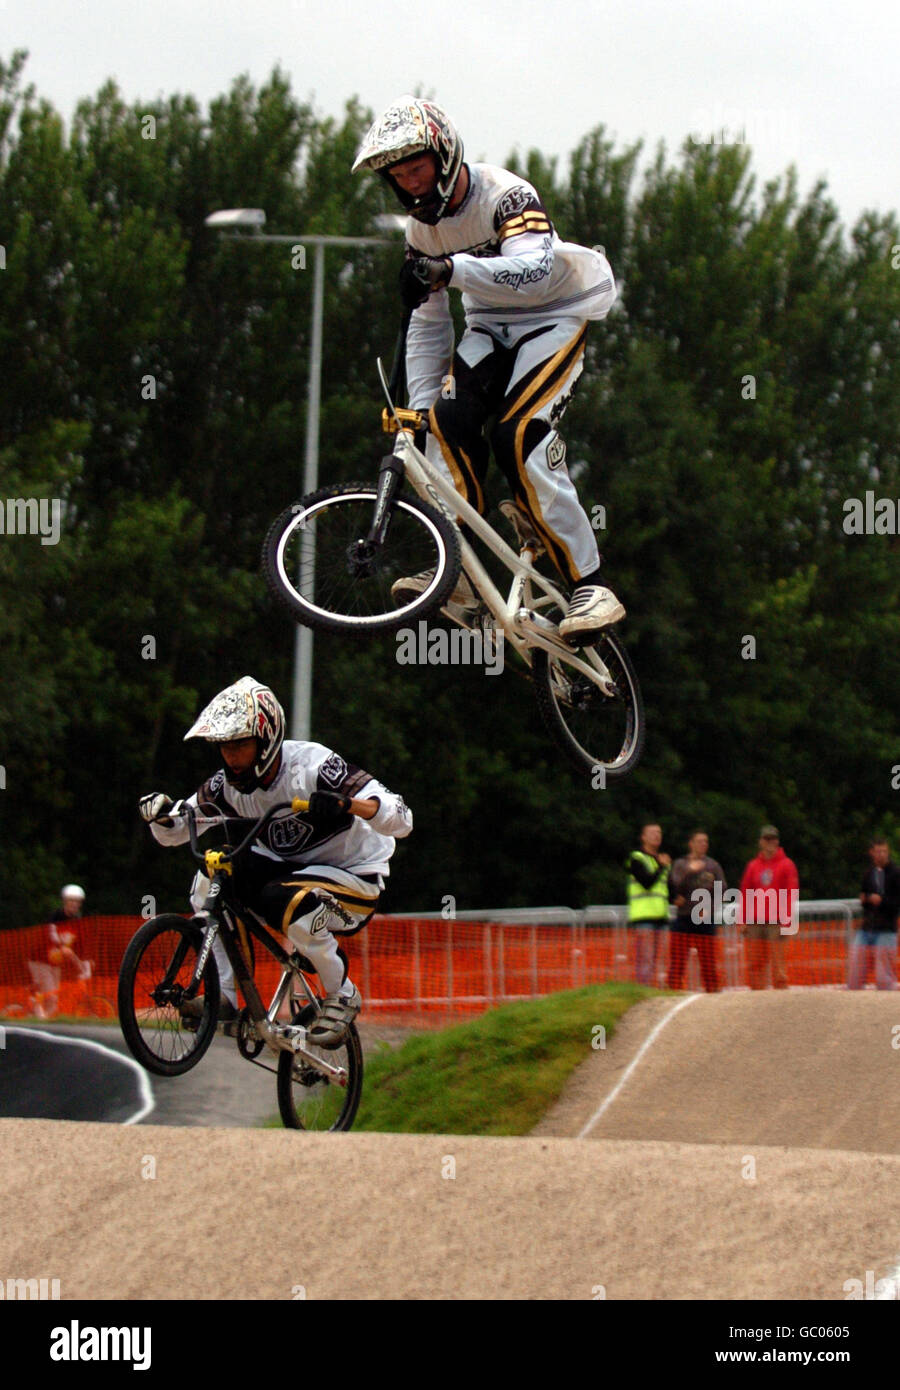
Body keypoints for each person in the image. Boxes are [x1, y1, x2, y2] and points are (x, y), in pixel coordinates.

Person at [352, 96, 623, 643]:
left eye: (418, 170)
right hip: (490, 329)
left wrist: (450, 269)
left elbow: (535, 270)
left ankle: (590, 584)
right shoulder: (420, 233)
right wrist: (423, 407)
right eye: (400, 178)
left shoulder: (505, 193)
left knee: (519, 433)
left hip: (553, 317)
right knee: (444, 426)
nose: (412, 186)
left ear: (445, 156)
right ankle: (456, 573)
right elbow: (429, 327)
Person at [138, 677, 412, 1045]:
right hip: (288, 874)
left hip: (355, 878)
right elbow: (176, 829)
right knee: (210, 879)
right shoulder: (226, 785)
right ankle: (226, 996)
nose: (231, 757)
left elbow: (402, 818)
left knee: (290, 902)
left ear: (266, 739)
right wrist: (160, 816)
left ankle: (342, 993)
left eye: (240, 745)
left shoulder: (313, 766)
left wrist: (348, 804)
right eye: (223, 747)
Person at [738, 825, 799, 990]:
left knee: (778, 964)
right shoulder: (753, 866)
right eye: (766, 839)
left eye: (773, 839)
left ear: (777, 842)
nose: (770, 842)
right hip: (755, 921)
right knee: (754, 964)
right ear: (760, 842)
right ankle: (757, 1000)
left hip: (776, 921)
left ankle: (779, 1003)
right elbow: (745, 893)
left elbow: (791, 894)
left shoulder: (787, 865)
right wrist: (742, 920)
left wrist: (786, 921)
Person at [667, 830, 726, 992]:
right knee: (678, 960)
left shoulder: (713, 865)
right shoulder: (680, 864)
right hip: (684, 916)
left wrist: (709, 909)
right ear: (691, 844)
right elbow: (675, 886)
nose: (703, 844)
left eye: (706, 841)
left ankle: (712, 992)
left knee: (708, 961)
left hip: (704, 918)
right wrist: (691, 871)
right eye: (699, 841)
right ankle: (672, 991)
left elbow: (721, 890)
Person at [848, 838, 900, 990]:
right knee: (856, 968)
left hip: (886, 928)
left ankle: (885, 1005)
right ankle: (855, 996)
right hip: (868, 926)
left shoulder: (896, 874)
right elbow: (864, 896)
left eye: (884, 851)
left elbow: (897, 902)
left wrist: (882, 901)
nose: (881, 855)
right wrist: (865, 899)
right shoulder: (869, 873)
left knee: (884, 977)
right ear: (871, 853)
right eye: (878, 851)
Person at [625, 824, 671, 986]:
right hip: (644, 916)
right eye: (652, 833)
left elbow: (668, 888)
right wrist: (661, 866)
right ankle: (645, 989)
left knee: (661, 959)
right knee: (645, 959)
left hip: (661, 916)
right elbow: (646, 882)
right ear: (643, 837)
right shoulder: (637, 858)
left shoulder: (662, 860)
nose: (657, 835)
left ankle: (658, 989)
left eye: (659, 832)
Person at [48, 884, 90, 977]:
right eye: (71, 900)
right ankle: (81, 970)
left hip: (65, 958)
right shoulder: (55, 917)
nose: (74, 904)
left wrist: (84, 960)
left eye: (77, 901)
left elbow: (81, 943)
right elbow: (51, 936)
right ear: (65, 901)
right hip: (50, 953)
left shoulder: (78, 920)